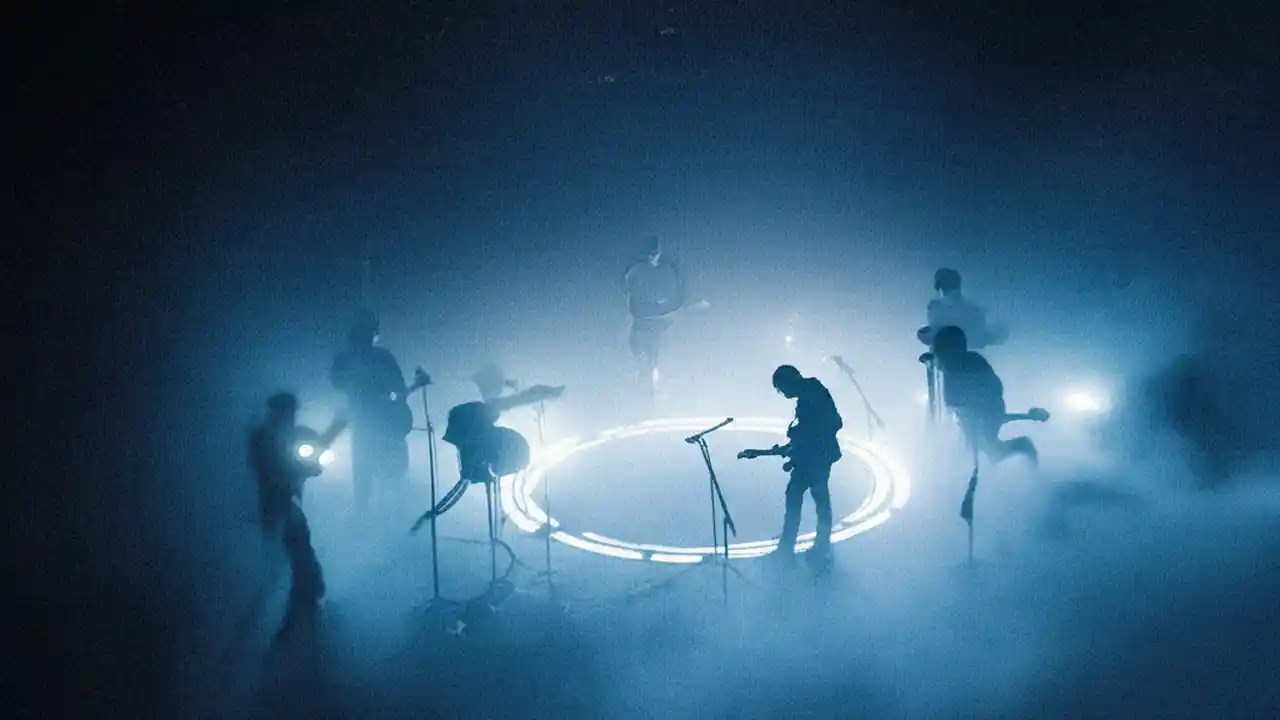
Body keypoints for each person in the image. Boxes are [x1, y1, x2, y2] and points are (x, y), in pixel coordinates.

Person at [248, 393, 337, 641]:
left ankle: (298, 612)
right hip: (270, 508)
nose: (288, 417)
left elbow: (314, 465)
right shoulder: (260, 438)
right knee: (285, 562)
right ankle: (287, 620)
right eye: (284, 412)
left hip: (283, 507)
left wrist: (331, 434)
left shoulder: (292, 436)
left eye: (290, 413)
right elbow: (276, 471)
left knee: (294, 559)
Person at [329, 310, 410, 512]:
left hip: (384, 426)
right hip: (368, 425)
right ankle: (367, 519)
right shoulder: (351, 359)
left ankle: (381, 517)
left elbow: (399, 388)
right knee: (366, 478)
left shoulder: (381, 357)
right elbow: (336, 383)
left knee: (384, 478)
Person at [932, 326, 1038, 466]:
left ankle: (1022, 448)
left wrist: (980, 412)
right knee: (981, 451)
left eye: (941, 350)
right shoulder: (950, 367)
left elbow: (994, 387)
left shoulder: (972, 362)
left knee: (988, 449)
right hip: (969, 416)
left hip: (985, 414)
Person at [771, 365, 843, 562]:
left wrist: (801, 435)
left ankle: (810, 548)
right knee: (810, 497)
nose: (783, 393)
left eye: (781, 388)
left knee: (812, 497)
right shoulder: (810, 393)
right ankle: (818, 547)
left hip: (817, 458)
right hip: (812, 456)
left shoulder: (812, 394)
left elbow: (833, 422)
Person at [622, 235, 707, 395]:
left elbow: (677, 299)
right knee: (645, 368)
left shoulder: (667, 271)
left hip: (662, 328)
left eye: (655, 252)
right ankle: (644, 400)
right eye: (649, 253)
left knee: (663, 368)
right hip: (644, 329)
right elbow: (632, 304)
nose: (653, 256)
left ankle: (661, 398)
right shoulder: (635, 272)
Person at [917, 268, 1007, 350]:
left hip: (954, 359)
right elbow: (980, 339)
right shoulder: (972, 307)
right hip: (952, 359)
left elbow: (979, 338)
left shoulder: (936, 306)